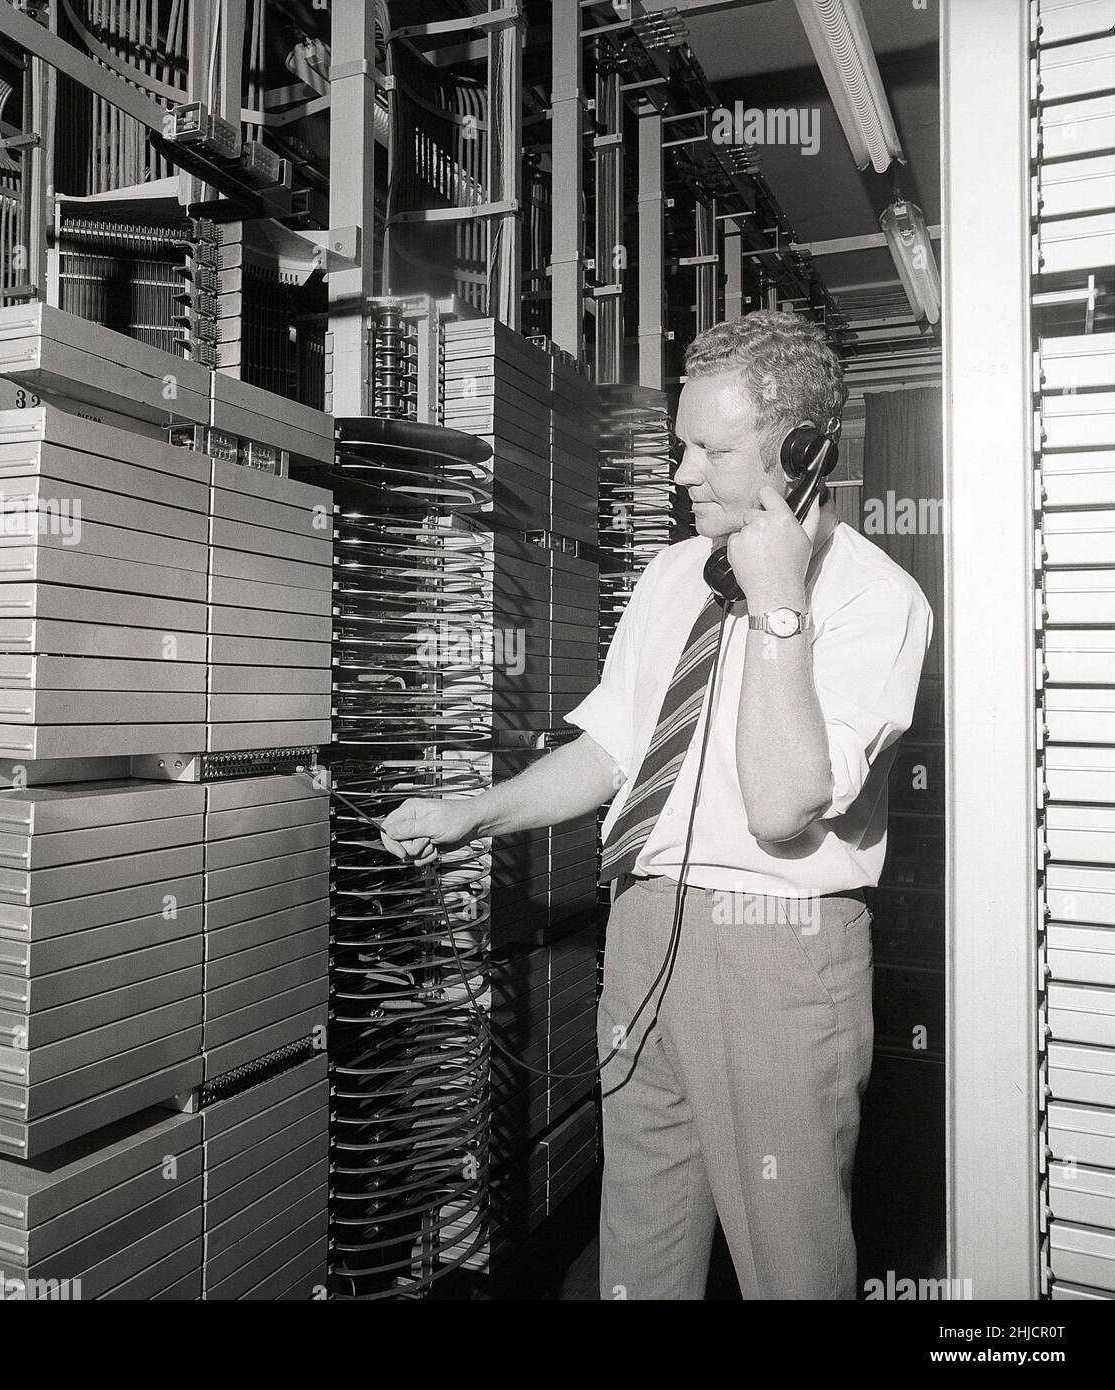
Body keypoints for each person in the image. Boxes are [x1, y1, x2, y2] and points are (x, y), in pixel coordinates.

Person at [379, 310, 933, 1299]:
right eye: (681, 441)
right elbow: (611, 751)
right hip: (642, 928)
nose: (679, 471)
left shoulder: (874, 600)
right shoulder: (673, 572)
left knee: (789, 1261)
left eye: (710, 449)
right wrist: (477, 810)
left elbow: (780, 805)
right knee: (638, 1240)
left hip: (776, 947)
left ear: (799, 450)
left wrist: (778, 606)